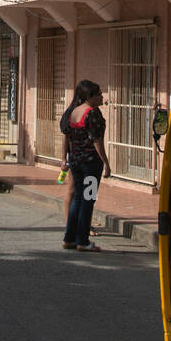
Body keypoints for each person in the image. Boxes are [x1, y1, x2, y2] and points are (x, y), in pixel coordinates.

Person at [60, 80, 111, 252]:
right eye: (99, 94)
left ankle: (69, 238)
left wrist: (64, 158)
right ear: (90, 96)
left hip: (76, 162)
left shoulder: (74, 112)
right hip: (91, 164)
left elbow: (67, 137)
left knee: (78, 199)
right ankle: (83, 241)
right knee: (88, 200)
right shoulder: (92, 113)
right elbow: (97, 140)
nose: (101, 96)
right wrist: (105, 162)